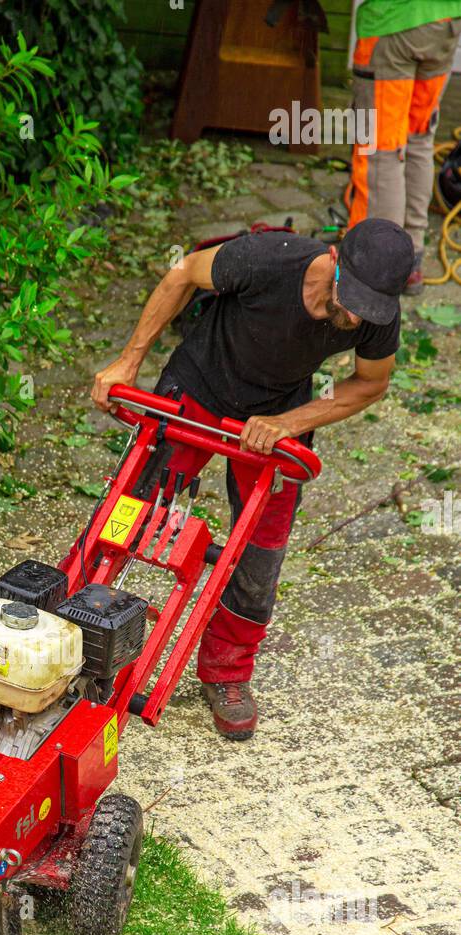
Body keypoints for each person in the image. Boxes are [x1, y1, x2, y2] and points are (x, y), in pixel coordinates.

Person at [91, 219, 414, 741]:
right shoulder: (269, 258)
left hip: (276, 411)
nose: (354, 317)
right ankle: (73, 618)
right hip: (200, 382)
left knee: (264, 547)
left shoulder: (375, 314)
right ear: (335, 259)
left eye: (369, 310)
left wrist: (291, 424)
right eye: (350, 299)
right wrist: (128, 362)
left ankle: (227, 671)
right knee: (132, 507)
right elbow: (182, 274)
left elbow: (370, 384)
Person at [346, 2, 461, 292]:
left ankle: (380, 264)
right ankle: (411, 260)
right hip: (446, 22)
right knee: (419, 140)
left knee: (380, 150)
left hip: (393, 22)